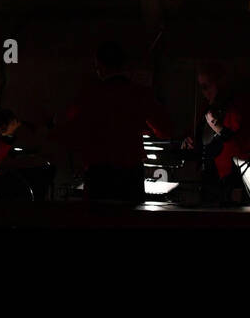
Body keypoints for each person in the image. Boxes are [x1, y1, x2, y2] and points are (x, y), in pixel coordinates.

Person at [56, 41, 174, 201]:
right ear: (124, 65)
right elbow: (165, 130)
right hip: (129, 176)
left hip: (98, 175)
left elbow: (67, 131)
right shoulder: (140, 94)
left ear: (99, 66)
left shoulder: (88, 96)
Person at [183, 60, 250, 203]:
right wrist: (187, 144)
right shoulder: (206, 110)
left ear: (219, 83)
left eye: (207, 86)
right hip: (207, 180)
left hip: (228, 182)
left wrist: (216, 124)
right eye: (202, 87)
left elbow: (238, 144)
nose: (204, 92)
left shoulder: (234, 108)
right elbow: (200, 144)